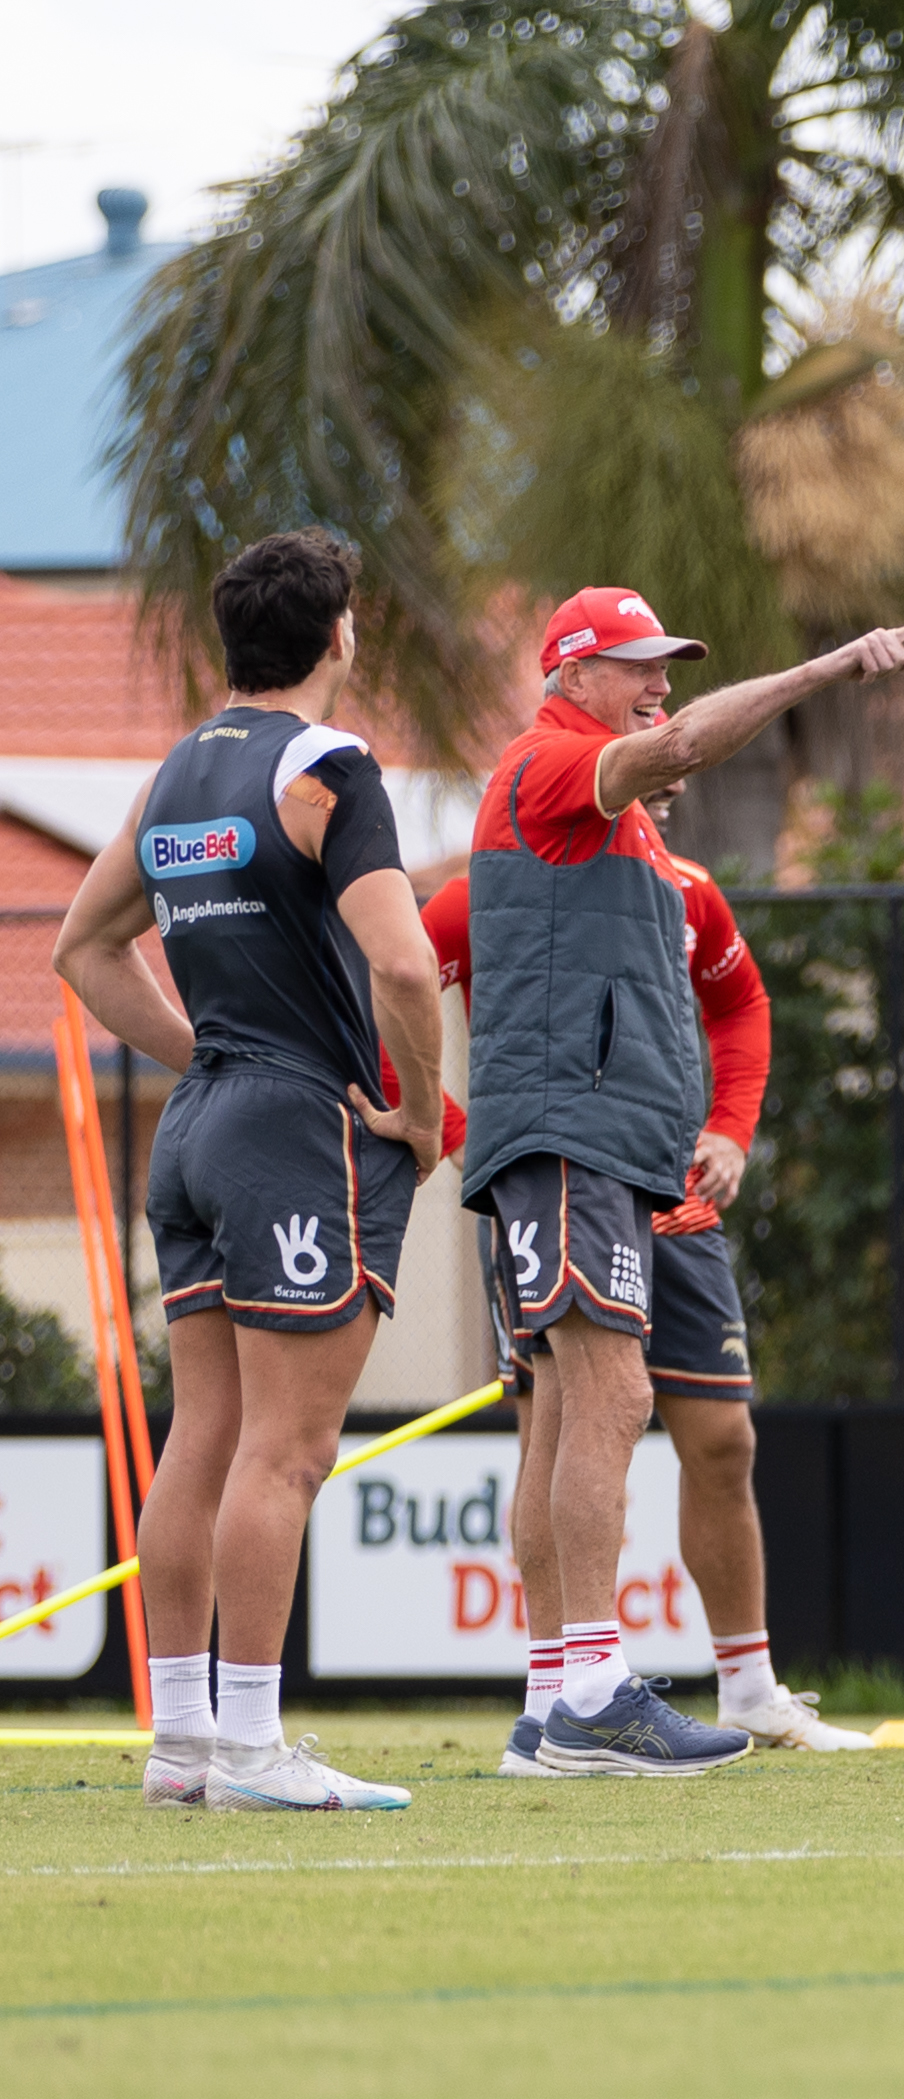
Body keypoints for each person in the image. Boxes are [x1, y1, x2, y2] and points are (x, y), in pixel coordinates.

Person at [469, 586, 904, 1775]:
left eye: (668, 665)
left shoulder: (632, 837)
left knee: (581, 1408)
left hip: (600, 1142)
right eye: (638, 665)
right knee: (608, 1400)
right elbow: (673, 748)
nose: (661, 686)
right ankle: (587, 1694)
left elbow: (731, 1001)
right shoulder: (554, 764)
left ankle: (554, 1703)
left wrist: (719, 1119)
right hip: (571, 1135)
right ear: (574, 674)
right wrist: (826, 663)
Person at [56, 531, 441, 1813]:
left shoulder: (175, 770)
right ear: (339, 635)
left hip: (201, 1127)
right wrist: (420, 1112)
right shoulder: (327, 764)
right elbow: (400, 964)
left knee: (202, 1444)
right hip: (288, 1132)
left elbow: (83, 949)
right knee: (286, 1451)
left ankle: (183, 1746)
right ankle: (255, 1746)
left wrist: (204, 1055)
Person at [413, 766, 873, 1767]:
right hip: (563, 1186)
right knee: (559, 1424)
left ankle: (746, 1689)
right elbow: (395, 984)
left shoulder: (688, 891)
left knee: (721, 1440)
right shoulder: (498, 884)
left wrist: (733, 1131)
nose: (656, 786)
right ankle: (556, 1699)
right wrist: (455, 1130)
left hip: (674, 1204)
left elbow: (742, 1007)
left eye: (662, 774)